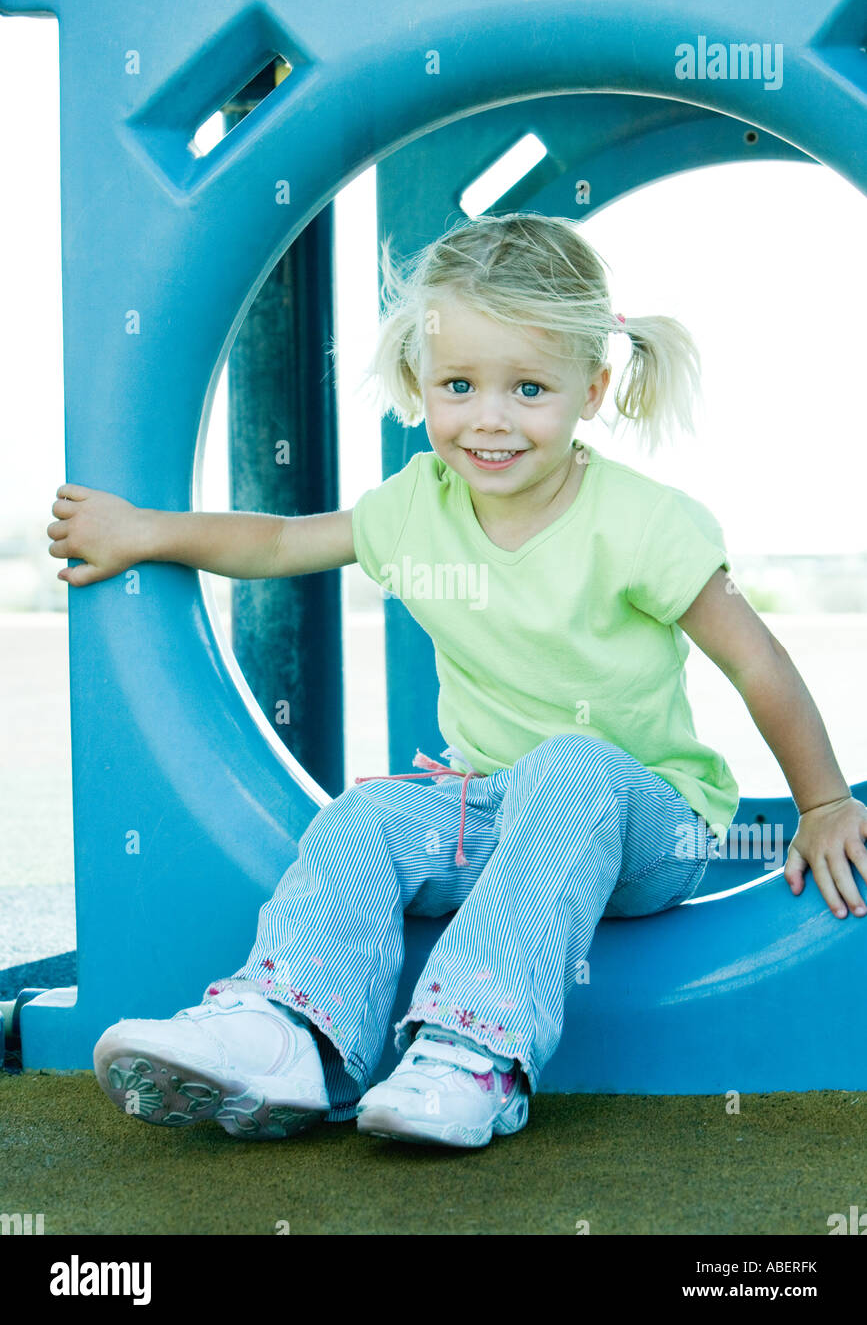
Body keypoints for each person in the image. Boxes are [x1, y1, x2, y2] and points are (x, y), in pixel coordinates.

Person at [47, 212, 867, 1150]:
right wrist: (146, 530)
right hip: (497, 808)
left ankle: (475, 1054)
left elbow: (753, 657)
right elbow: (279, 540)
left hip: (651, 820)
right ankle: (290, 1032)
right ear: (418, 383)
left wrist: (824, 802)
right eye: (459, 384)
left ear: (590, 389)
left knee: (570, 765)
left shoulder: (640, 523)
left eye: (528, 387)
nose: (489, 417)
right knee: (369, 815)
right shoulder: (416, 509)